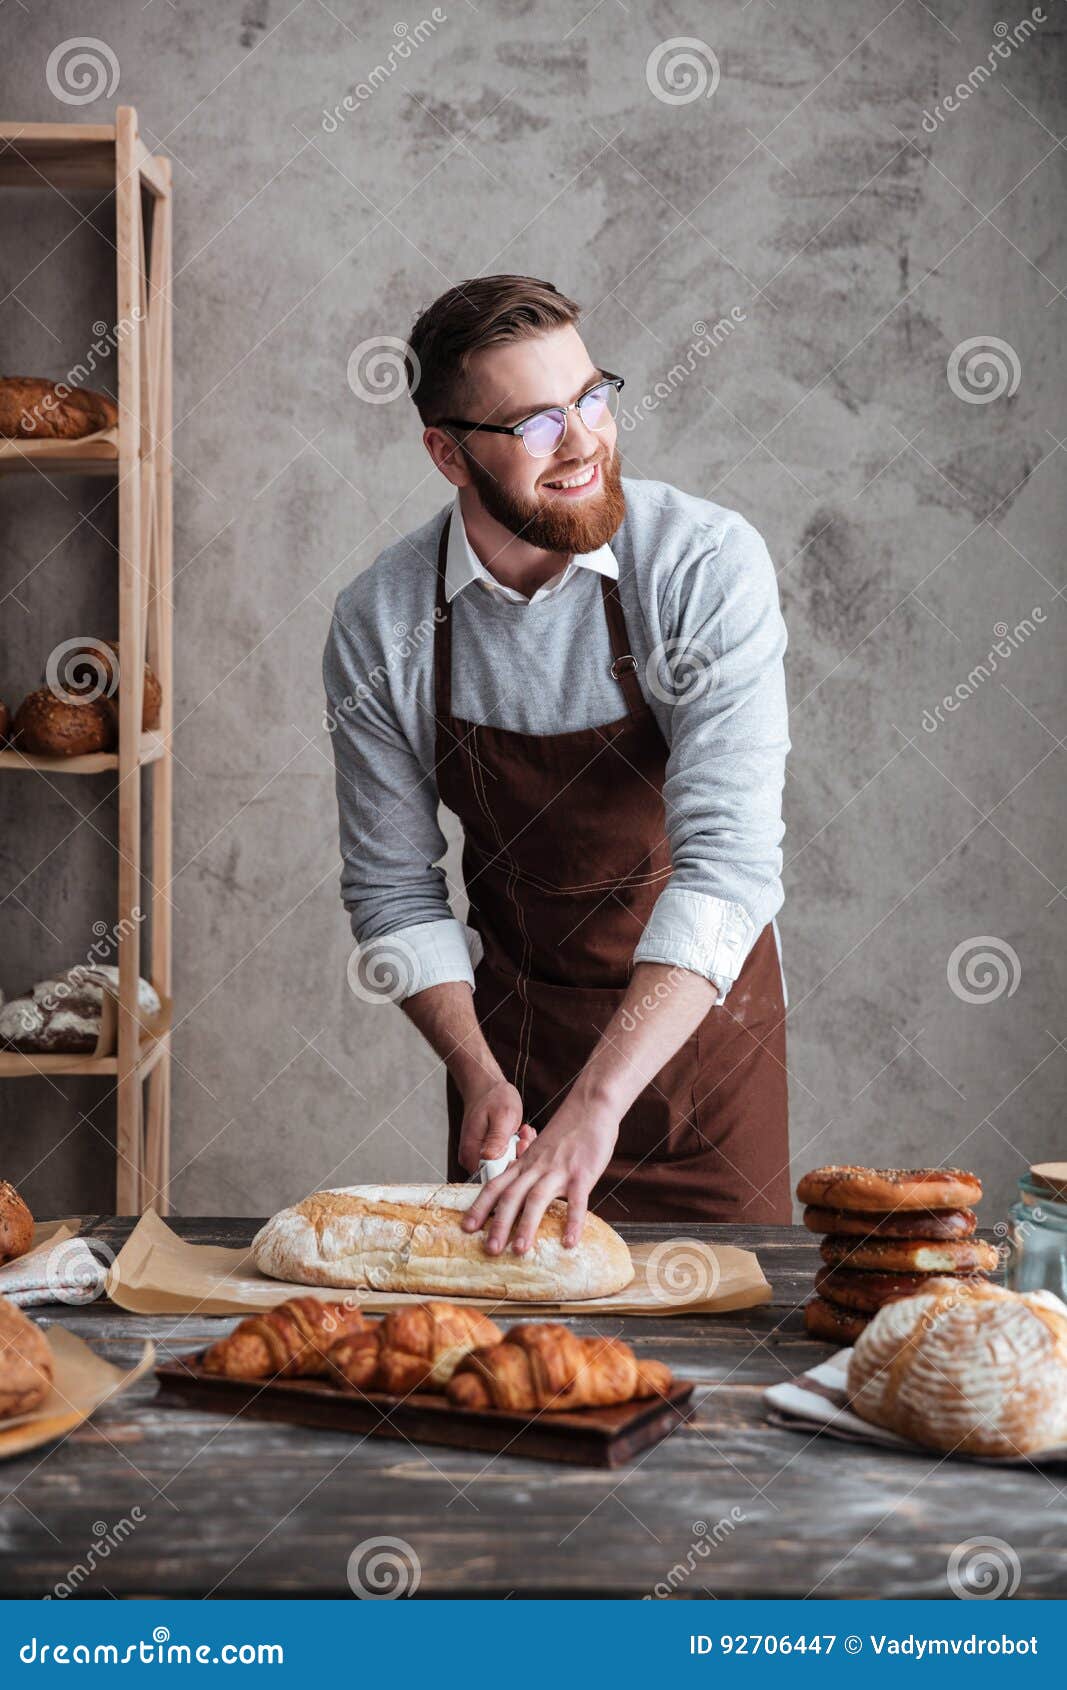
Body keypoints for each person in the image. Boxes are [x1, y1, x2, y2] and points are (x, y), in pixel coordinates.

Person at [323, 274, 791, 1255]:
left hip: (697, 1065)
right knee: (519, 1376)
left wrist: (603, 1098)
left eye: (590, 396)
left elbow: (727, 865)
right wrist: (479, 1073)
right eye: (535, 422)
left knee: (715, 1360)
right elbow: (391, 888)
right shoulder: (383, 623)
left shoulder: (698, 566)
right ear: (447, 453)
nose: (583, 441)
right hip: (515, 1064)